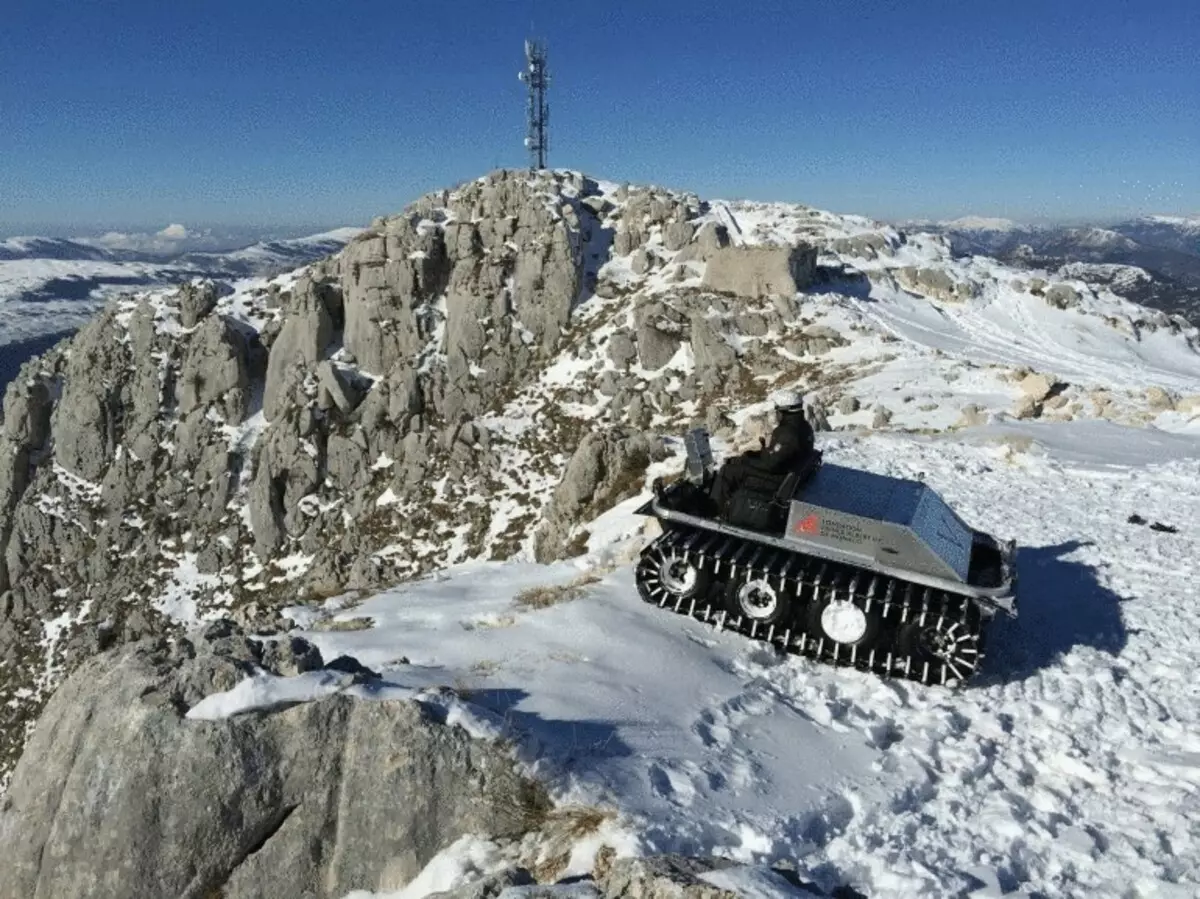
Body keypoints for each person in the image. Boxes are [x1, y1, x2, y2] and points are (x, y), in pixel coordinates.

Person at [708, 389, 815, 516]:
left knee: (728, 471)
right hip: (786, 474)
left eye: (778, 410)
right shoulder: (802, 427)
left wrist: (745, 461)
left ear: (785, 410)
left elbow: (771, 465)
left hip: (778, 480)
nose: (776, 413)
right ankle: (727, 504)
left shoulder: (789, 433)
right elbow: (778, 458)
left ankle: (712, 510)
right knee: (740, 461)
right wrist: (751, 456)